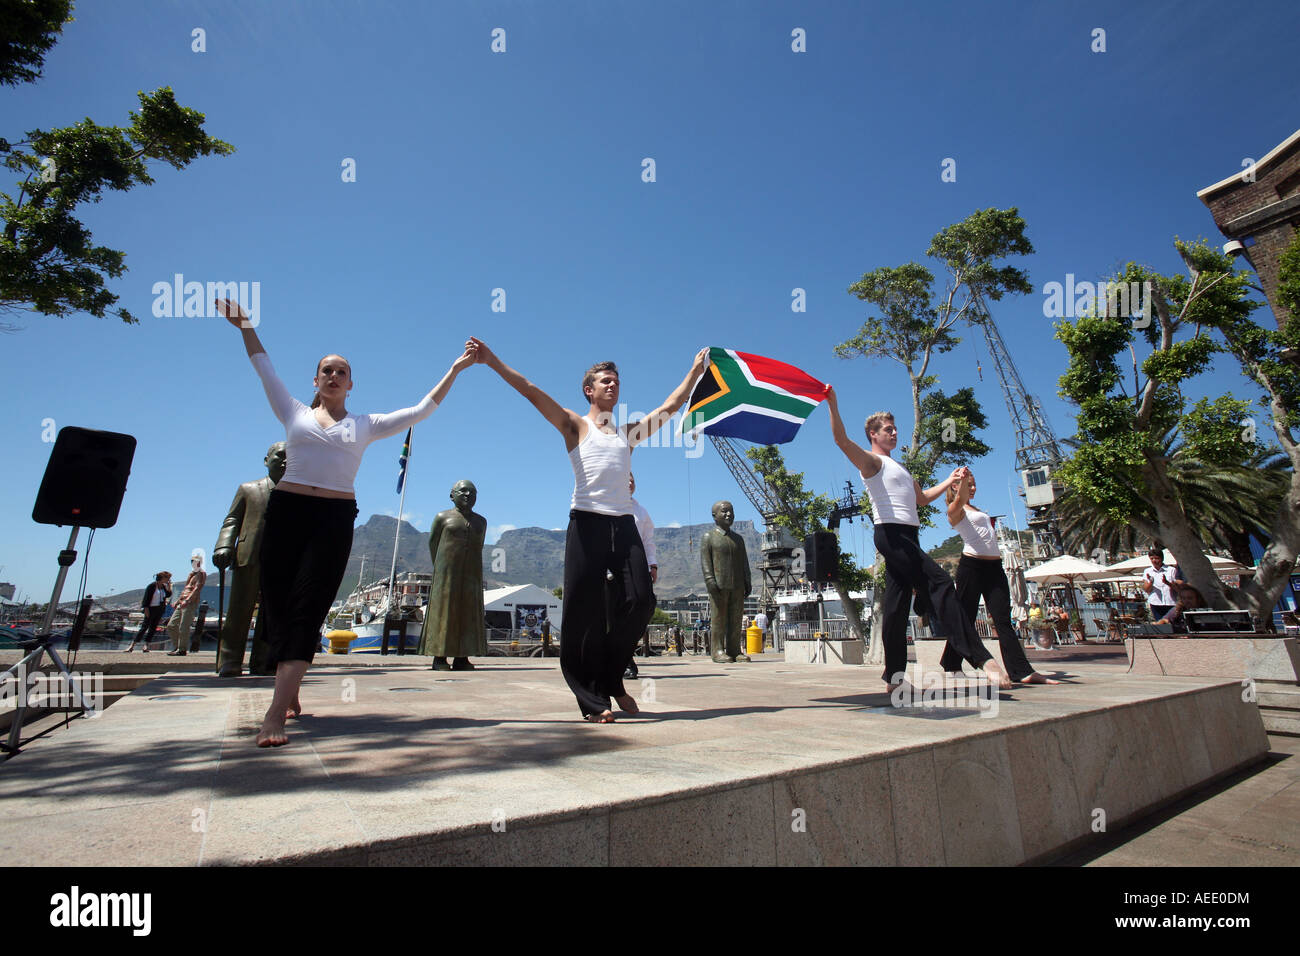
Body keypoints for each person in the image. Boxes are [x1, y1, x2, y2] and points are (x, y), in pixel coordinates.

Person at [218, 298, 475, 747]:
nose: (333, 376)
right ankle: (290, 689)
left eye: (341, 371)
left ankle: (275, 712)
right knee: (277, 608)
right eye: (326, 370)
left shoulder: (364, 424)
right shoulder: (293, 412)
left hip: (333, 520)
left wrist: (455, 368)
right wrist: (244, 325)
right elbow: (263, 366)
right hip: (286, 514)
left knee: (307, 607)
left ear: (351, 383)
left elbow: (421, 410)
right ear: (315, 380)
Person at [470, 336, 709, 722]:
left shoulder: (628, 433)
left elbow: (670, 407)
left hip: (623, 524)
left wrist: (694, 372)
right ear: (589, 390)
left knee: (642, 600)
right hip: (586, 523)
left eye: (616, 381)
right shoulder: (573, 425)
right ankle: (593, 700)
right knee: (583, 613)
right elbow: (530, 391)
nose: (613, 385)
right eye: (605, 381)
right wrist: (492, 360)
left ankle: (612, 676)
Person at [824, 386, 1011, 690]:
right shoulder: (873, 462)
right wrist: (833, 403)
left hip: (908, 535)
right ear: (874, 434)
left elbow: (921, 499)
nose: (895, 433)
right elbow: (841, 441)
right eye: (888, 429)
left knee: (896, 608)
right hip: (892, 534)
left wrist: (951, 480)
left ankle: (894, 678)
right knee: (940, 584)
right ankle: (982, 659)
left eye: (896, 428)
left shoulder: (900, 467)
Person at [943, 469, 1059, 684]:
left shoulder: (977, 509)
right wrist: (961, 483)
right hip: (972, 567)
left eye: (975, 484)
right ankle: (951, 662)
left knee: (1003, 619)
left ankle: (1021, 672)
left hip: (994, 567)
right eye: (970, 484)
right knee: (965, 617)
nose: (973, 487)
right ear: (956, 487)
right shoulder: (955, 510)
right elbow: (959, 500)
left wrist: (965, 483)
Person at [213, 442, 287, 676]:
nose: (285, 461)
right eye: (280, 456)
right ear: (267, 460)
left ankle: (263, 660)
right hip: (249, 556)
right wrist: (224, 545)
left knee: (272, 614)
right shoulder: (248, 489)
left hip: (282, 559)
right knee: (239, 611)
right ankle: (230, 660)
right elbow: (232, 521)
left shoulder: (296, 492)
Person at [419, 480, 488, 671]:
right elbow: (433, 544)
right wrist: (442, 569)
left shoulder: (481, 521)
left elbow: (479, 545)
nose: (468, 495)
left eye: (472, 493)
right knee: (444, 613)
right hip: (446, 573)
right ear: (452, 495)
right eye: (463, 491)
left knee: (468, 613)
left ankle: (462, 657)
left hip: (472, 574)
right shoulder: (442, 517)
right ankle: (439, 657)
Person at [701, 500, 752, 663]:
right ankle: (717, 651)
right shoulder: (709, 537)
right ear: (714, 516)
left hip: (737, 585)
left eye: (731, 511)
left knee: (736, 619)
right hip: (718, 585)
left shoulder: (738, 539)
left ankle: (734, 649)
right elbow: (705, 562)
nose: (729, 514)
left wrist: (747, 580)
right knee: (719, 619)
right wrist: (710, 581)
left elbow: (744, 562)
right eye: (724, 511)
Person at [624, 473, 658, 680]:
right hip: (611, 565)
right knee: (615, 613)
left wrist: (652, 564)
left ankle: (624, 651)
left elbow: (648, 541)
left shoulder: (641, 511)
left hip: (637, 565)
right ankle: (624, 661)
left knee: (645, 604)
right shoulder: (606, 504)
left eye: (633, 480)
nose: (630, 483)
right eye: (625, 478)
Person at [165, 554, 208, 656]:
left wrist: (187, 600)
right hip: (182, 601)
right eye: (192, 561)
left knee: (184, 626)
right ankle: (177, 646)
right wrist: (179, 600)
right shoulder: (191, 574)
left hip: (190, 602)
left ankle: (182, 649)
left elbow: (197, 589)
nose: (193, 563)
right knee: (171, 625)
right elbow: (186, 588)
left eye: (195, 561)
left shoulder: (201, 574)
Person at [128, 571, 172, 652]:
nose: (168, 580)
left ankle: (146, 645)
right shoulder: (151, 586)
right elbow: (146, 599)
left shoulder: (163, 586)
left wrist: (169, 586)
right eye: (167, 578)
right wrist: (146, 609)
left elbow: (168, 595)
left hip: (159, 609)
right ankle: (132, 645)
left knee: (153, 628)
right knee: (144, 627)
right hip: (151, 609)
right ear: (163, 578)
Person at [1142, 549, 1178, 622]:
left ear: (1161, 558)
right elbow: (1146, 589)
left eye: (1156, 558)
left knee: (1174, 624)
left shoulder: (1171, 570)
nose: (1154, 560)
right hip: (1156, 603)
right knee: (1160, 625)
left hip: (1171, 602)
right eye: (1152, 558)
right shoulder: (1147, 571)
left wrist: (1167, 583)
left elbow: (1177, 587)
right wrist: (1151, 582)